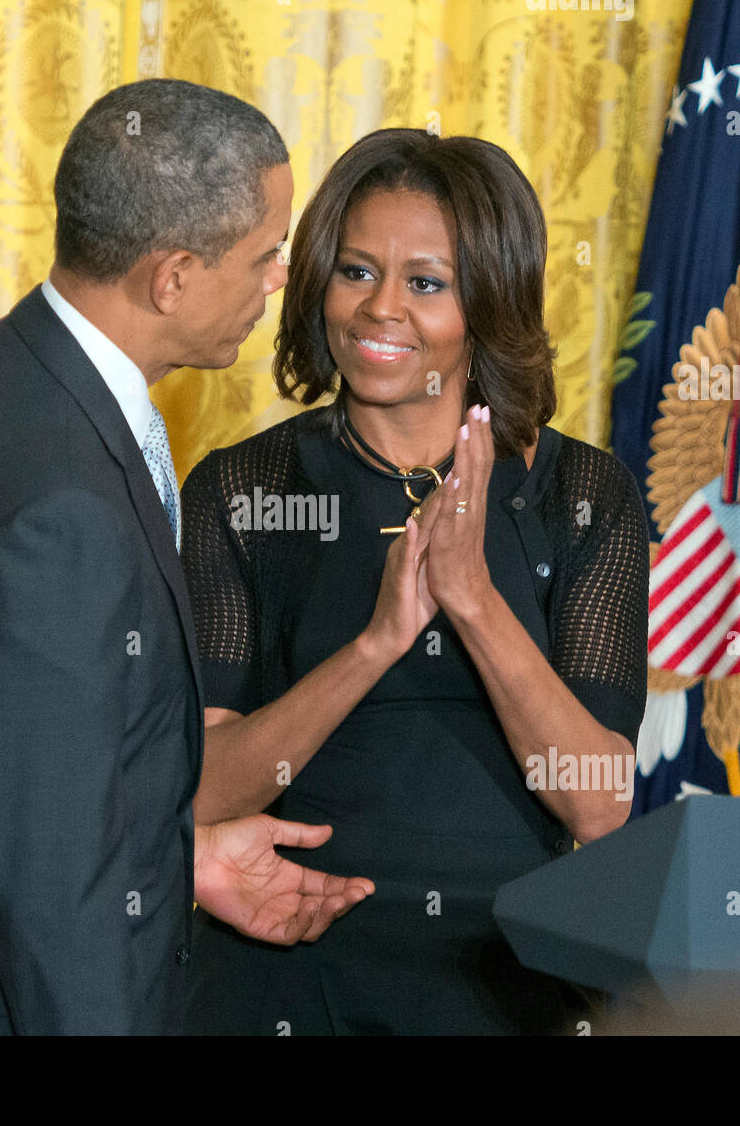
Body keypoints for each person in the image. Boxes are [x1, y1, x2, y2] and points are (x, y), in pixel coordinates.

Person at [0, 79, 374, 1036]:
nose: (280, 281)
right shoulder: (61, 509)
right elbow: (53, 896)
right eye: (264, 255)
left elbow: (25, 782)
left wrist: (176, 861)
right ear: (173, 276)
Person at [180, 128, 649, 1035]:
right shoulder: (243, 491)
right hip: (287, 963)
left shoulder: (584, 494)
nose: (378, 309)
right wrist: (375, 643)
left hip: (515, 980)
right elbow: (204, 794)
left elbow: (599, 802)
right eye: (355, 272)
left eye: (426, 282)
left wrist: (470, 598)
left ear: (490, 301)